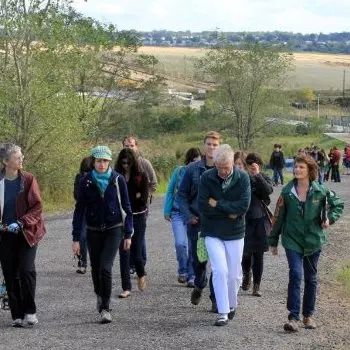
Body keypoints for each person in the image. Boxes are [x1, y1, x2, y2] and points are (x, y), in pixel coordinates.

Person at [269, 154, 344, 332]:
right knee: (295, 274)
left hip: (314, 241)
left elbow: (338, 205)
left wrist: (329, 220)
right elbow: (278, 217)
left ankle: (308, 315)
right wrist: (273, 240)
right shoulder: (287, 192)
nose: (297, 170)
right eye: (295, 166)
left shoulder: (321, 191)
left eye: (301, 167)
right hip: (292, 240)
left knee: (311, 279)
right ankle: (293, 318)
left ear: (310, 170)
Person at [72, 146, 133, 324]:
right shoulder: (86, 181)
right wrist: (76, 238)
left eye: (105, 161)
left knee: (106, 268)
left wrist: (128, 233)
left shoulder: (117, 179)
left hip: (114, 228)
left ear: (109, 162)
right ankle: (99, 294)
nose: (101, 164)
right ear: (93, 161)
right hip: (93, 230)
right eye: (98, 161)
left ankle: (105, 308)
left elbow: (127, 208)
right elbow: (79, 211)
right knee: (96, 269)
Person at [198, 144, 251, 326]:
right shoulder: (206, 177)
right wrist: (229, 210)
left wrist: (218, 204)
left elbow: (243, 206)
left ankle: (231, 304)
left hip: (235, 232)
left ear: (232, 163)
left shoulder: (243, 178)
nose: (222, 171)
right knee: (220, 270)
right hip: (212, 231)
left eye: (226, 167)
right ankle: (222, 311)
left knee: (234, 274)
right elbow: (203, 206)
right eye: (219, 168)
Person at [0, 143, 46, 327]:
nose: (21, 159)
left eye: (21, 156)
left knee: (26, 271)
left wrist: (21, 222)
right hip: (4, 235)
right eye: (17, 157)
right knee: (10, 274)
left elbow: (37, 206)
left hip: (27, 233)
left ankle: (30, 311)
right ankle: (16, 314)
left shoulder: (28, 179)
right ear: (6, 161)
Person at [177, 131, 222, 311]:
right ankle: (199, 283)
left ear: (220, 147)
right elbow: (181, 196)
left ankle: (215, 297)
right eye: (209, 144)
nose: (211, 147)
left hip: (219, 223)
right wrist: (189, 216)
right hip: (197, 223)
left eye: (215, 144)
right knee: (199, 260)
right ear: (204, 146)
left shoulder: (224, 168)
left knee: (218, 263)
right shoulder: (192, 169)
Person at [163, 147, 202, 287]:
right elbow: (170, 190)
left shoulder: (204, 172)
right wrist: (167, 210)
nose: (195, 163)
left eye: (198, 160)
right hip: (178, 212)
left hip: (193, 214)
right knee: (180, 243)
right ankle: (183, 270)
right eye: (193, 160)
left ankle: (192, 275)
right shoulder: (179, 171)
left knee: (193, 246)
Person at [115, 148, 149, 297]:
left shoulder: (141, 176)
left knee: (136, 249)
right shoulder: (116, 177)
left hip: (138, 217)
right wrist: (133, 196)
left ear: (133, 162)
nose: (125, 165)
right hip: (122, 218)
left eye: (128, 162)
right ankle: (126, 287)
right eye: (123, 162)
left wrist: (132, 197)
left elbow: (143, 199)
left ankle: (141, 273)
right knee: (124, 251)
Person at [122, 136, 157, 271]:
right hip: (125, 207)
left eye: (131, 145)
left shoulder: (145, 163)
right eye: (126, 146)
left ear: (137, 146)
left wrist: (143, 196)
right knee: (128, 233)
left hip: (141, 207)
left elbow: (153, 183)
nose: (129, 148)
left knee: (138, 234)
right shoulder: (121, 164)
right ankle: (134, 263)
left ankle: (139, 262)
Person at [241, 153, 273, 297]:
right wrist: (248, 175)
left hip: (260, 219)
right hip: (244, 220)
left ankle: (257, 286)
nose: (252, 165)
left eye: (255, 163)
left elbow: (268, 191)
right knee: (246, 253)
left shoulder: (263, 177)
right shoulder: (242, 177)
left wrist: (258, 175)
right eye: (249, 163)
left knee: (259, 254)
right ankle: (247, 273)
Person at [73, 156, 93, 274]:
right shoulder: (79, 177)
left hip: (95, 210)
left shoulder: (98, 177)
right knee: (82, 236)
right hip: (83, 210)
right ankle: (82, 262)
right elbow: (76, 195)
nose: (86, 173)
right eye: (85, 171)